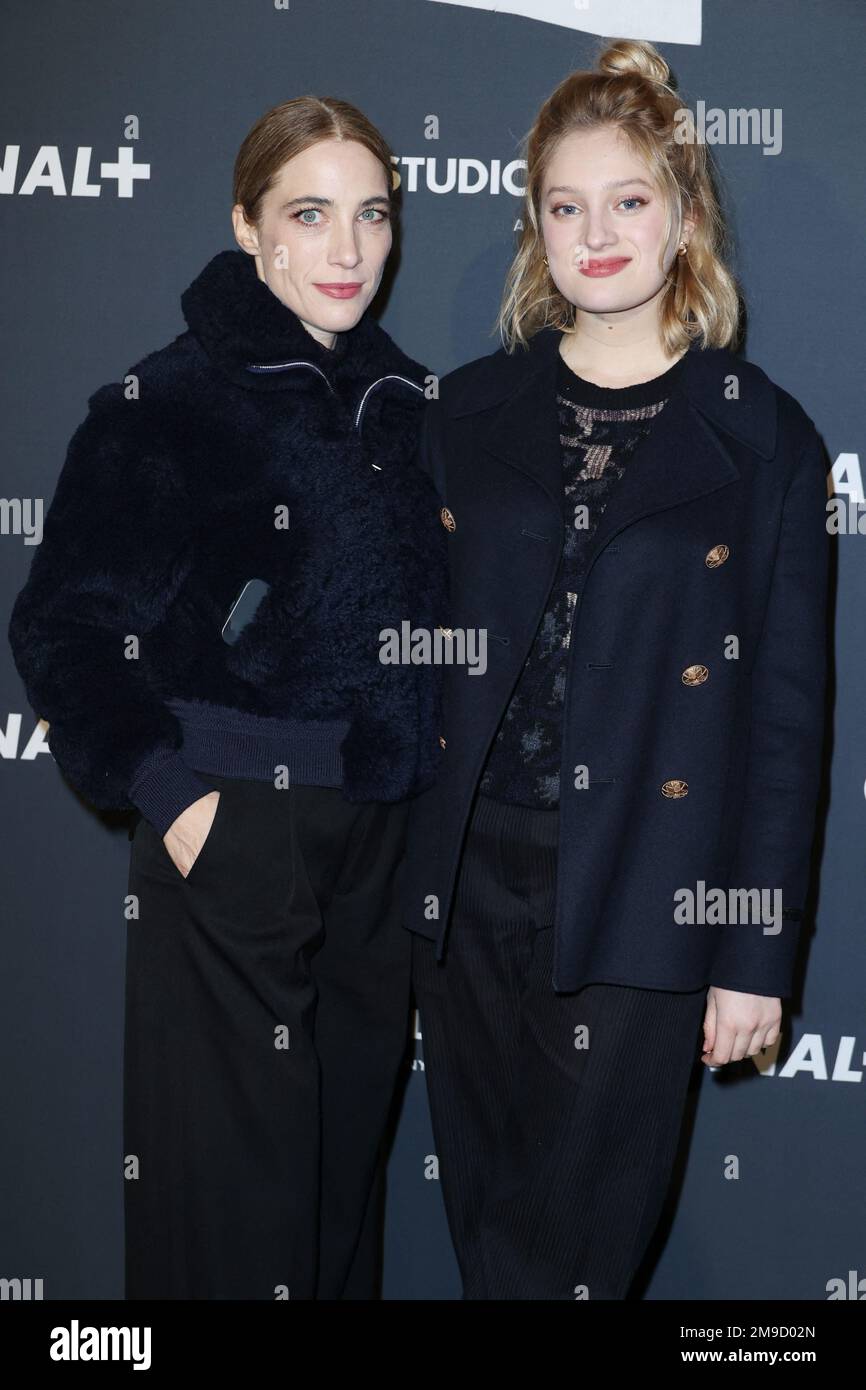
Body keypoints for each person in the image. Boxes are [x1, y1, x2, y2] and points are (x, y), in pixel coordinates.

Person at [403, 38, 830, 1300]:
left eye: (628, 200)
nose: (597, 233)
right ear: (534, 224)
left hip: (652, 889)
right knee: (489, 1237)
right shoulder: (465, 415)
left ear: (683, 216)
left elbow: (784, 724)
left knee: (569, 1260)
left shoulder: (762, 435)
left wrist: (754, 950)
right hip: (467, 882)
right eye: (565, 205)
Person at [8, 96, 446, 1300]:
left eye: (371, 215)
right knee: (229, 1234)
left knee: (335, 1223)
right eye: (310, 215)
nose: (349, 250)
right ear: (248, 227)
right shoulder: (171, 399)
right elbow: (60, 626)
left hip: (377, 843)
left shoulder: (410, 408)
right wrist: (183, 806)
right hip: (236, 832)